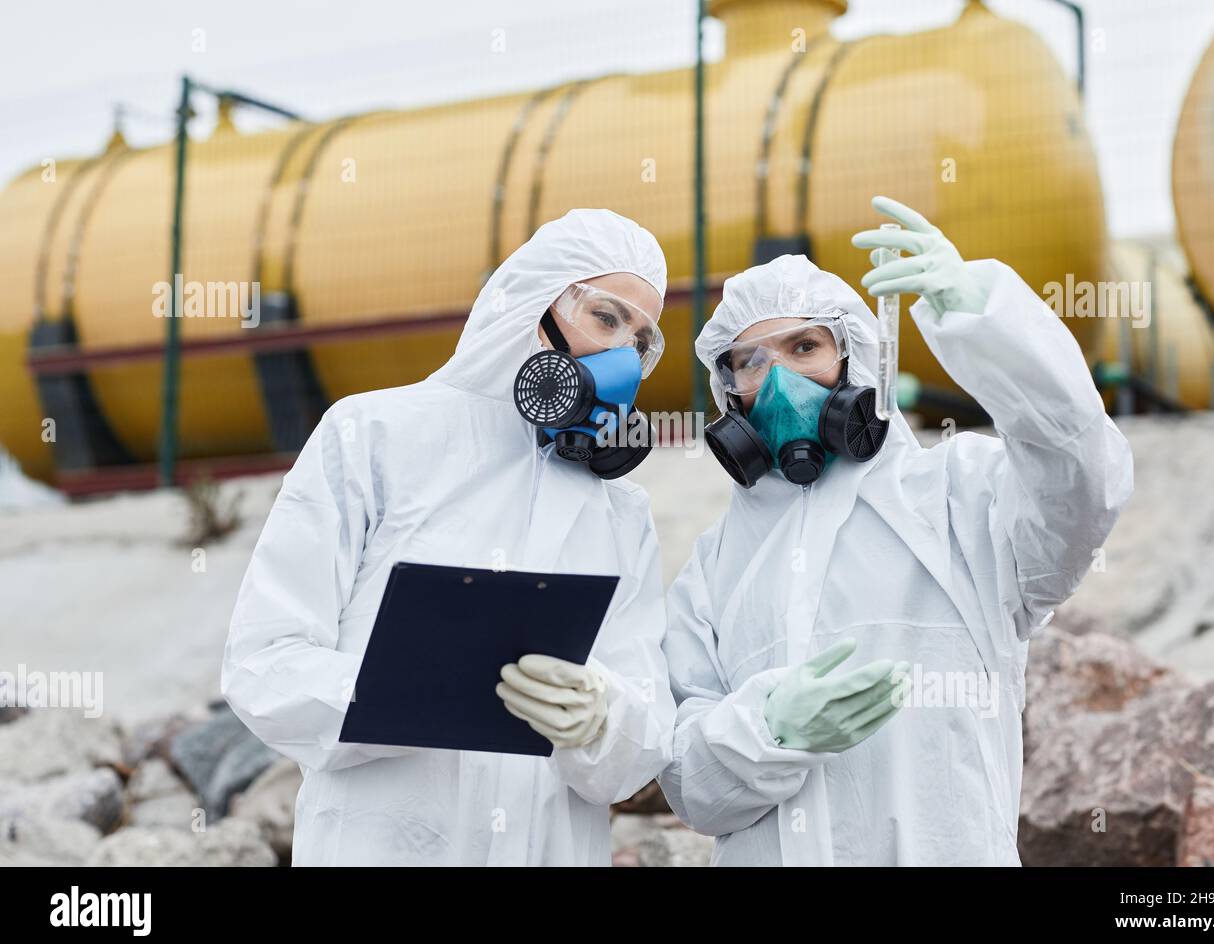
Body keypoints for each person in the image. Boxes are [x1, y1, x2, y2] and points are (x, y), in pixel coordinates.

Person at [658, 196, 1134, 865]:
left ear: (858, 361)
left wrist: (986, 323)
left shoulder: (963, 498)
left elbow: (1083, 479)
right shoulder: (711, 571)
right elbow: (690, 789)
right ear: (726, 389)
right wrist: (767, 731)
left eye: (804, 347)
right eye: (751, 361)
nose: (778, 381)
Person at [222, 208, 676, 866]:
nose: (622, 358)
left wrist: (603, 720)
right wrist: (423, 690)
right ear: (530, 301)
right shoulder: (372, 436)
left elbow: (645, 737)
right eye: (605, 318)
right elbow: (265, 664)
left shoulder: (621, 511)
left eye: (640, 340)